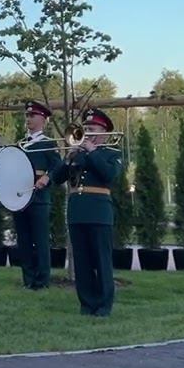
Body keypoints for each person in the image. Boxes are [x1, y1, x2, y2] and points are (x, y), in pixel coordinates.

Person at [39, 108, 123, 316]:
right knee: (82, 261)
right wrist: (67, 159)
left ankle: (104, 305)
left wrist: (92, 152)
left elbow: (109, 175)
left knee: (101, 261)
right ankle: (87, 304)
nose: (86, 133)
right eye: (85, 129)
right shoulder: (76, 154)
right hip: (77, 211)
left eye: (91, 129)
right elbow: (58, 179)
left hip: (99, 212)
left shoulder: (111, 153)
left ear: (104, 132)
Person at [15, 101, 63, 290]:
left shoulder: (47, 142)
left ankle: (42, 280)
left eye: (32, 116)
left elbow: (58, 166)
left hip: (39, 197)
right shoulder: (21, 142)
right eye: (27, 116)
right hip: (20, 196)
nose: (28, 119)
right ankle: (28, 279)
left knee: (40, 239)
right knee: (24, 239)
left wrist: (47, 177)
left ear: (43, 119)